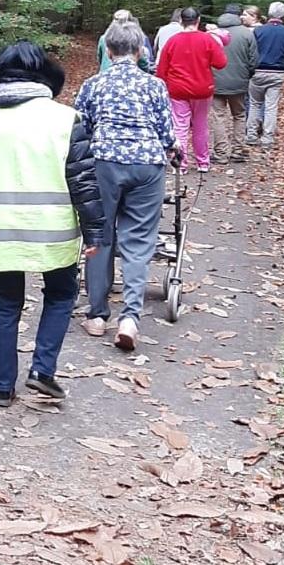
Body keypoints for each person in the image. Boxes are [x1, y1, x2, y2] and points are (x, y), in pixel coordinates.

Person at [0, 41, 106, 407]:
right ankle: (43, 370)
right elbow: (84, 180)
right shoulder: (65, 119)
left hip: (1, 228)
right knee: (60, 296)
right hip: (55, 229)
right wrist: (95, 231)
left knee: (5, 302)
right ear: (48, 78)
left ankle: (2, 386)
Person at [75, 21, 177, 351]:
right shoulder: (155, 86)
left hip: (104, 163)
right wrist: (175, 151)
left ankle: (97, 314)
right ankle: (131, 316)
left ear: (107, 49)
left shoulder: (93, 85)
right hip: (147, 165)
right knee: (139, 240)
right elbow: (166, 132)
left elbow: (82, 126)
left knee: (100, 234)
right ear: (140, 51)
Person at [155, 7, 227, 173]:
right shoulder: (207, 40)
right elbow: (221, 63)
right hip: (203, 89)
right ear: (198, 20)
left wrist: (165, 85)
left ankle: (181, 164)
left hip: (178, 90)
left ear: (181, 20)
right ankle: (203, 162)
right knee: (200, 125)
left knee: (180, 126)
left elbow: (161, 69)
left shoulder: (173, 41)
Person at [209, 3, 258, 164]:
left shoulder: (212, 34)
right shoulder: (247, 34)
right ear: (239, 15)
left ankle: (220, 153)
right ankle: (238, 150)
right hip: (239, 82)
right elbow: (253, 61)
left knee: (218, 116)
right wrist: (246, 76)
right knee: (239, 115)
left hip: (216, 81)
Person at [246, 1, 284, 148]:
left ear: (269, 14)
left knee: (254, 104)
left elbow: (250, 53)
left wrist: (251, 69)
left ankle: (251, 135)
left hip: (257, 72)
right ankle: (267, 139)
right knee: (271, 106)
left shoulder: (258, 31)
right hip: (277, 73)